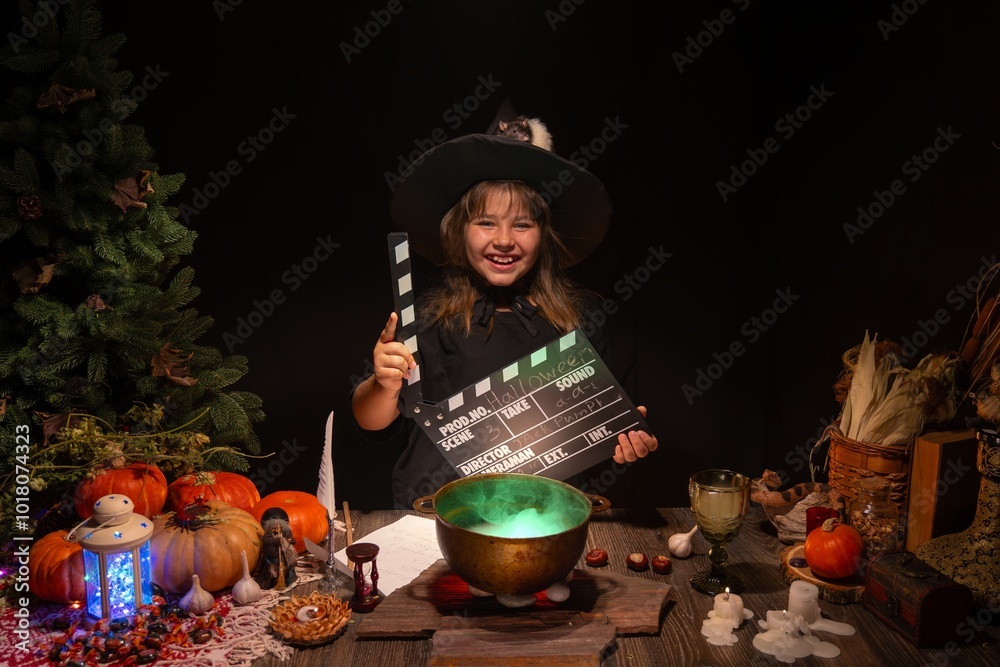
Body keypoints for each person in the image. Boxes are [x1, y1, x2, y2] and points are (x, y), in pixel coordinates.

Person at [351, 123, 658, 509]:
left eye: (522, 224)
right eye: (485, 222)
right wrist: (383, 384)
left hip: (543, 514)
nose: (504, 240)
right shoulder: (424, 318)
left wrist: (624, 436)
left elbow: (597, 424)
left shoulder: (580, 318)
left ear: (544, 234)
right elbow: (371, 421)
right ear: (459, 231)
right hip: (436, 515)